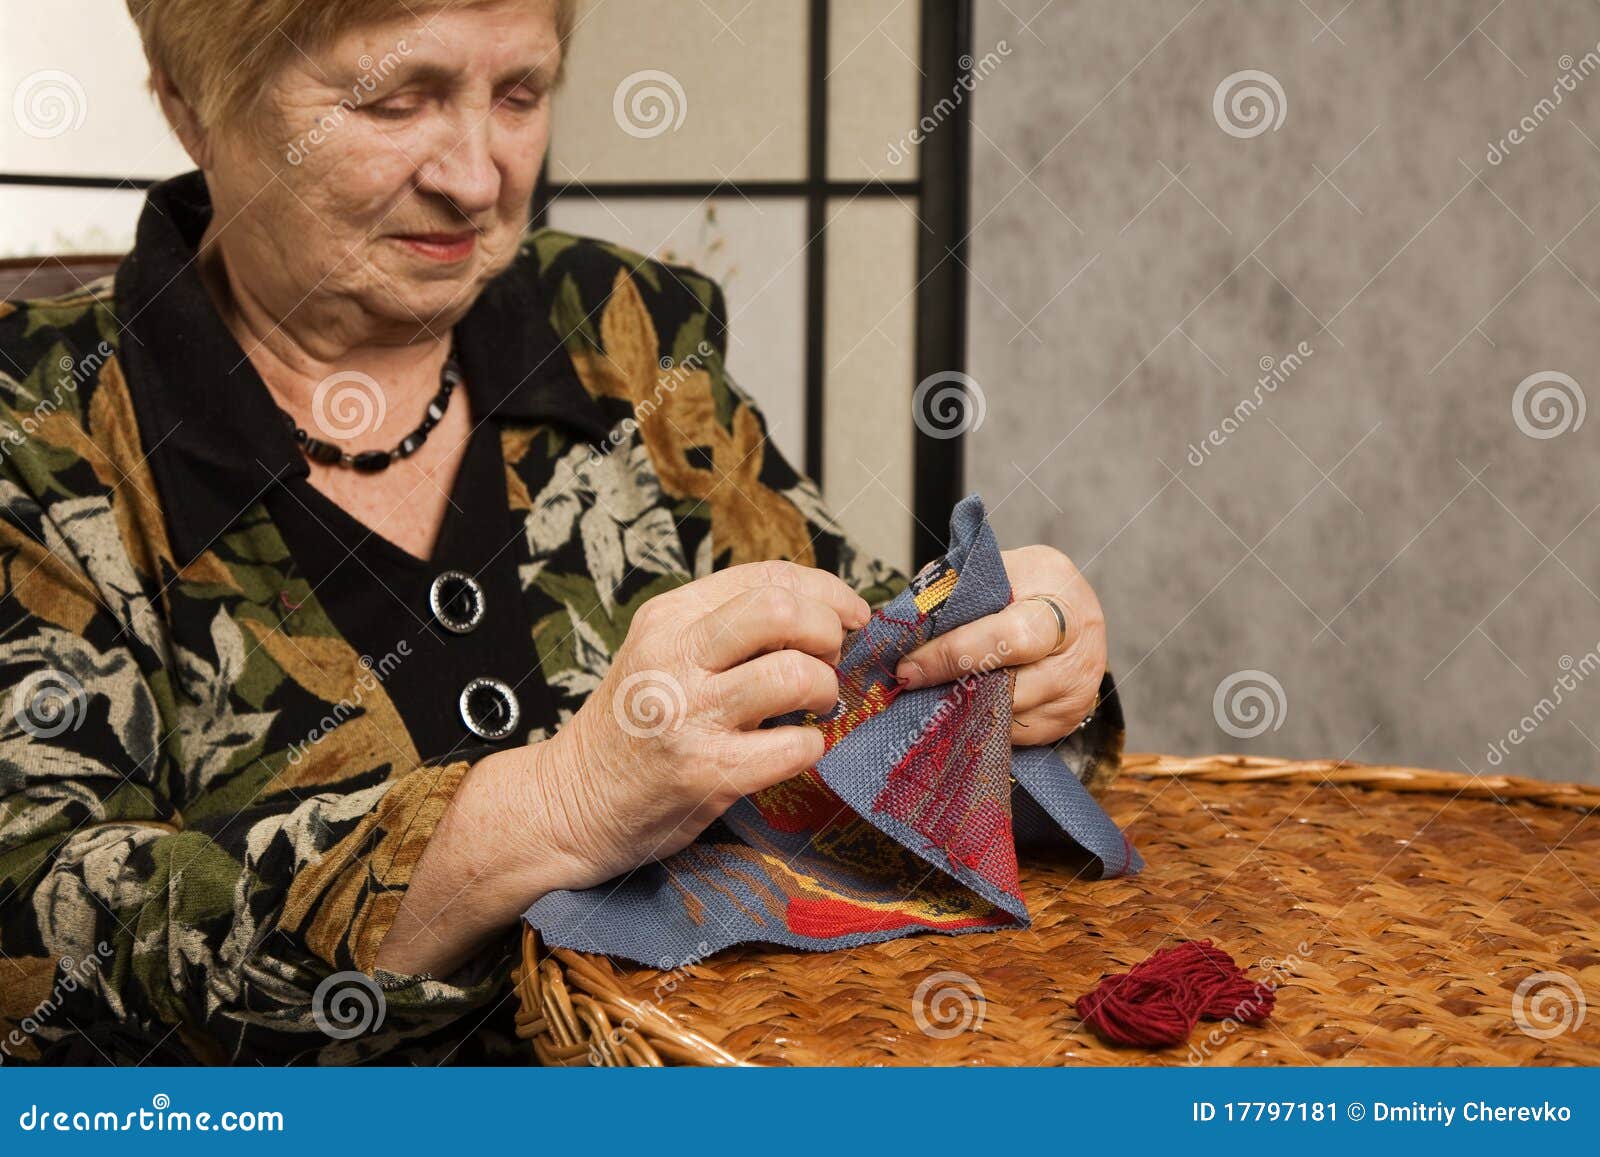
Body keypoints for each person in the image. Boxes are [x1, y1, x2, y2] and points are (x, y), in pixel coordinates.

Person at [0, 0, 1119, 1064]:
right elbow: (31, 939)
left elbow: (867, 658)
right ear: (191, 100)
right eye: (394, 102)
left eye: (520, 94)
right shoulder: (39, 425)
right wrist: (556, 805)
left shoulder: (614, 327)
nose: (476, 178)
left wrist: (1007, 656)